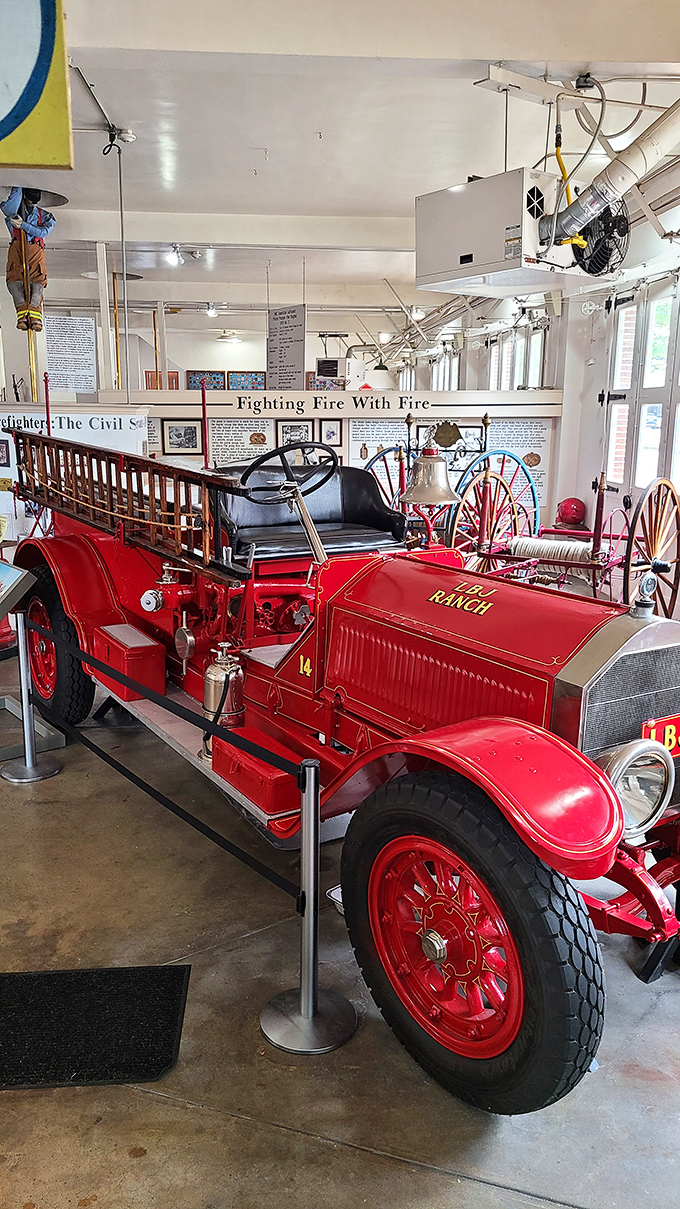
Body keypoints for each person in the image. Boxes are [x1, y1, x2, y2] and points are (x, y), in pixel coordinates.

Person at [0, 186, 56, 332]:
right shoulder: (14, 210)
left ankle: (35, 317)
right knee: (14, 282)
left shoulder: (45, 216)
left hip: (35, 248)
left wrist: (23, 225)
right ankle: (22, 316)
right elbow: (7, 207)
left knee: (37, 285)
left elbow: (42, 232)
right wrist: (18, 186)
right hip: (17, 246)